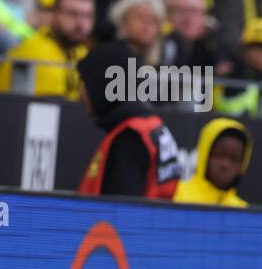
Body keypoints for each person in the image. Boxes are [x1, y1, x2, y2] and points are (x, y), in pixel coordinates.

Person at [74, 39, 182, 199]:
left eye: (85, 82)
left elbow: (122, 214)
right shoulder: (150, 127)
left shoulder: (130, 138)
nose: (81, 93)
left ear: (103, 84)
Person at [0, 0, 94, 99]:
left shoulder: (80, 52)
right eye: (72, 14)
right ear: (54, 13)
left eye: (87, 16)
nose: (81, 24)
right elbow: (53, 110)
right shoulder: (39, 52)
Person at [174, 117, 251, 207]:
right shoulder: (176, 195)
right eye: (219, 155)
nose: (225, 165)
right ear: (205, 155)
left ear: (242, 165)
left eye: (233, 159)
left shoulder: (242, 210)